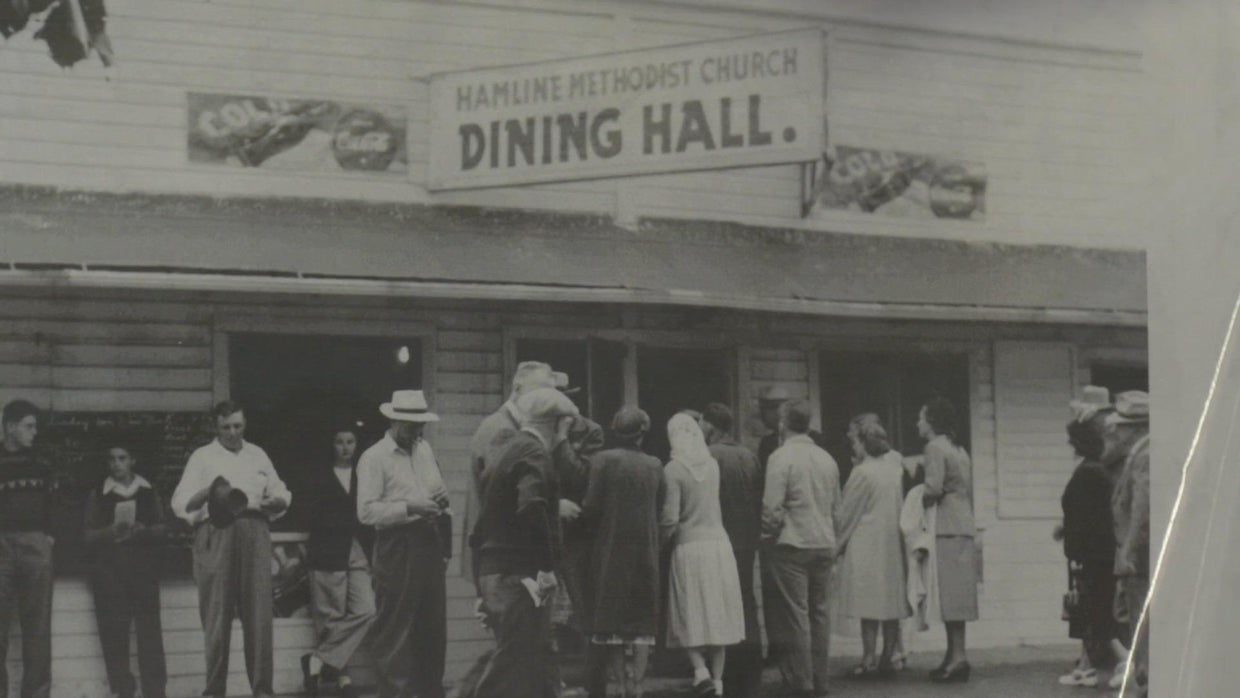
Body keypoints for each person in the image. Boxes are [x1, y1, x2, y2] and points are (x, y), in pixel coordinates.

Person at [171, 401, 290, 698]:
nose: (233, 432)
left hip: (255, 532)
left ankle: (263, 690)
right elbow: (180, 502)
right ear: (216, 426)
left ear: (244, 423)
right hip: (217, 532)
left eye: (238, 425)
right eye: (226, 427)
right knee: (216, 618)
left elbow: (280, 492)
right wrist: (207, 493)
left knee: (259, 617)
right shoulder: (202, 457)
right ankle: (214, 692)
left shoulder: (258, 454)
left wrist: (278, 501)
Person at [470, 387, 579, 698]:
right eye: (567, 425)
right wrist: (545, 568)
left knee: (537, 652)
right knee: (514, 658)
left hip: (495, 569)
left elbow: (481, 522)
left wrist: (481, 585)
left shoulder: (505, 448)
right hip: (520, 574)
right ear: (556, 424)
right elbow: (531, 507)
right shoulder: (535, 453)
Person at [356, 390, 451, 698]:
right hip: (396, 544)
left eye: (421, 424)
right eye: (412, 425)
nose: (418, 431)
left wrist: (441, 500)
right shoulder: (374, 458)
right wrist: (410, 507)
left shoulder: (423, 450)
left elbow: (436, 490)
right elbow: (366, 511)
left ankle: (429, 691)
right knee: (395, 626)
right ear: (395, 421)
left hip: (429, 539)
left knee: (432, 624)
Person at [580, 407, 665, 698]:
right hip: (645, 550)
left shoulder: (602, 461)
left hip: (610, 549)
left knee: (611, 621)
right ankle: (637, 687)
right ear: (643, 432)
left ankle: (619, 686)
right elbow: (660, 507)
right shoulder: (655, 464)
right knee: (642, 620)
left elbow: (590, 508)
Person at [661, 413, 744, 698]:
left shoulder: (673, 469)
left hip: (689, 546)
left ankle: (700, 671)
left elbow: (671, 518)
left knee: (690, 610)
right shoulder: (712, 465)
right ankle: (718, 682)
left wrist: (661, 541)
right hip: (719, 545)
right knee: (716, 612)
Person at [761, 399, 839, 698]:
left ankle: (802, 683)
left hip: (792, 544)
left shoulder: (781, 457)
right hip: (824, 542)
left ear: (783, 423)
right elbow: (837, 507)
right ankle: (821, 681)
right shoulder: (827, 458)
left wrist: (767, 537)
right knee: (820, 613)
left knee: (796, 614)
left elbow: (771, 508)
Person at [83, 438, 169, 698]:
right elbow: (86, 535)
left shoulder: (147, 490)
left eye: (122, 458)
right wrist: (109, 532)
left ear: (133, 460)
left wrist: (144, 531)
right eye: (112, 459)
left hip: (143, 574)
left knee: (150, 636)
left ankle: (155, 691)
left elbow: (163, 528)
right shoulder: (99, 493)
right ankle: (123, 690)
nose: (116, 464)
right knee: (114, 637)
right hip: (110, 576)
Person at [301, 424, 376, 698]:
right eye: (339, 442)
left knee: (366, 610)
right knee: (330, 619)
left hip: (357, 551)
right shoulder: (318, 475)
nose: (345, 447)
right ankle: (342, 677)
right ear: (331, 445)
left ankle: (317, 660)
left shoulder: (364, 475)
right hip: (327, 551)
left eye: (350, 441)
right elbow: (309, 513)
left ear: (357, 445)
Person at [464, 361, 556, 581]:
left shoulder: (516, 427)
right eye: (539, 391)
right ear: (517, 388)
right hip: (500, 557)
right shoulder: (500, 428)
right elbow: (499, 496)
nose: (545, 401)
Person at [834, 416, 908, 679]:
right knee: (889, 602)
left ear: (864, 442)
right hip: (891, 539)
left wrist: (836, 545)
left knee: (869, 605)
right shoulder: (892, 469)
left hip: (867, 542)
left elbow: (847, 512)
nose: (853, 447)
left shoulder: (862, 472)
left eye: (855, 442)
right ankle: (888, 657)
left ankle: (868, 658)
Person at [1056, 387, 1120, 688]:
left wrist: (1073, 540)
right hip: (1098, 548)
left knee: (1094, 608)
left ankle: (1119, 660)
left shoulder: (1090, 472)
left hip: (1093, 551)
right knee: (1091, 607)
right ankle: (1087, 662)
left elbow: (1088, 516)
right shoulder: (1100, 468)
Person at [699, 403, 763, 698]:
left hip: (719, 538)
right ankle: (750, 671)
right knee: (746, 600)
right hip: (746, 539)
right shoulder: (749, 455)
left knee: (718, 602)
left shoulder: (708, 456)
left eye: (702, 422)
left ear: (711, 425)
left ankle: (724, 672)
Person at [917, 396, 977, 683]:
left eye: (921, 417)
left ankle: (958, 657)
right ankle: (955, 655)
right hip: (963, 523)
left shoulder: (934, 447)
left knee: (951, 596)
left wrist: (914, 494)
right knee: (958, 596)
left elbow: (933, 488)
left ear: (931, 421)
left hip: (947, 526)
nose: (918, 423)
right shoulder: (959, 448)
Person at [0, 400, 55, 698]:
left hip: (36, 545)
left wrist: (48, 536)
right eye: (28, 426)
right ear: (10, 426)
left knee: (38, 629)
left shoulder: (42, 463)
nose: (35, 432)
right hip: (0, 548)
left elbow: (55, 505)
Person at [1105, 391, 1150, 697]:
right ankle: (1146, 676)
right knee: (1135, 619)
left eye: (1120, 427)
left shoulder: (1146, 455)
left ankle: (1149, 681)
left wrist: (1129, 550)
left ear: (1136, 427)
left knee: (1143, 621)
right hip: (1136, 553)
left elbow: (1142, 509)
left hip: (1141, 556)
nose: (1114, 432)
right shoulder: (1136, 455)